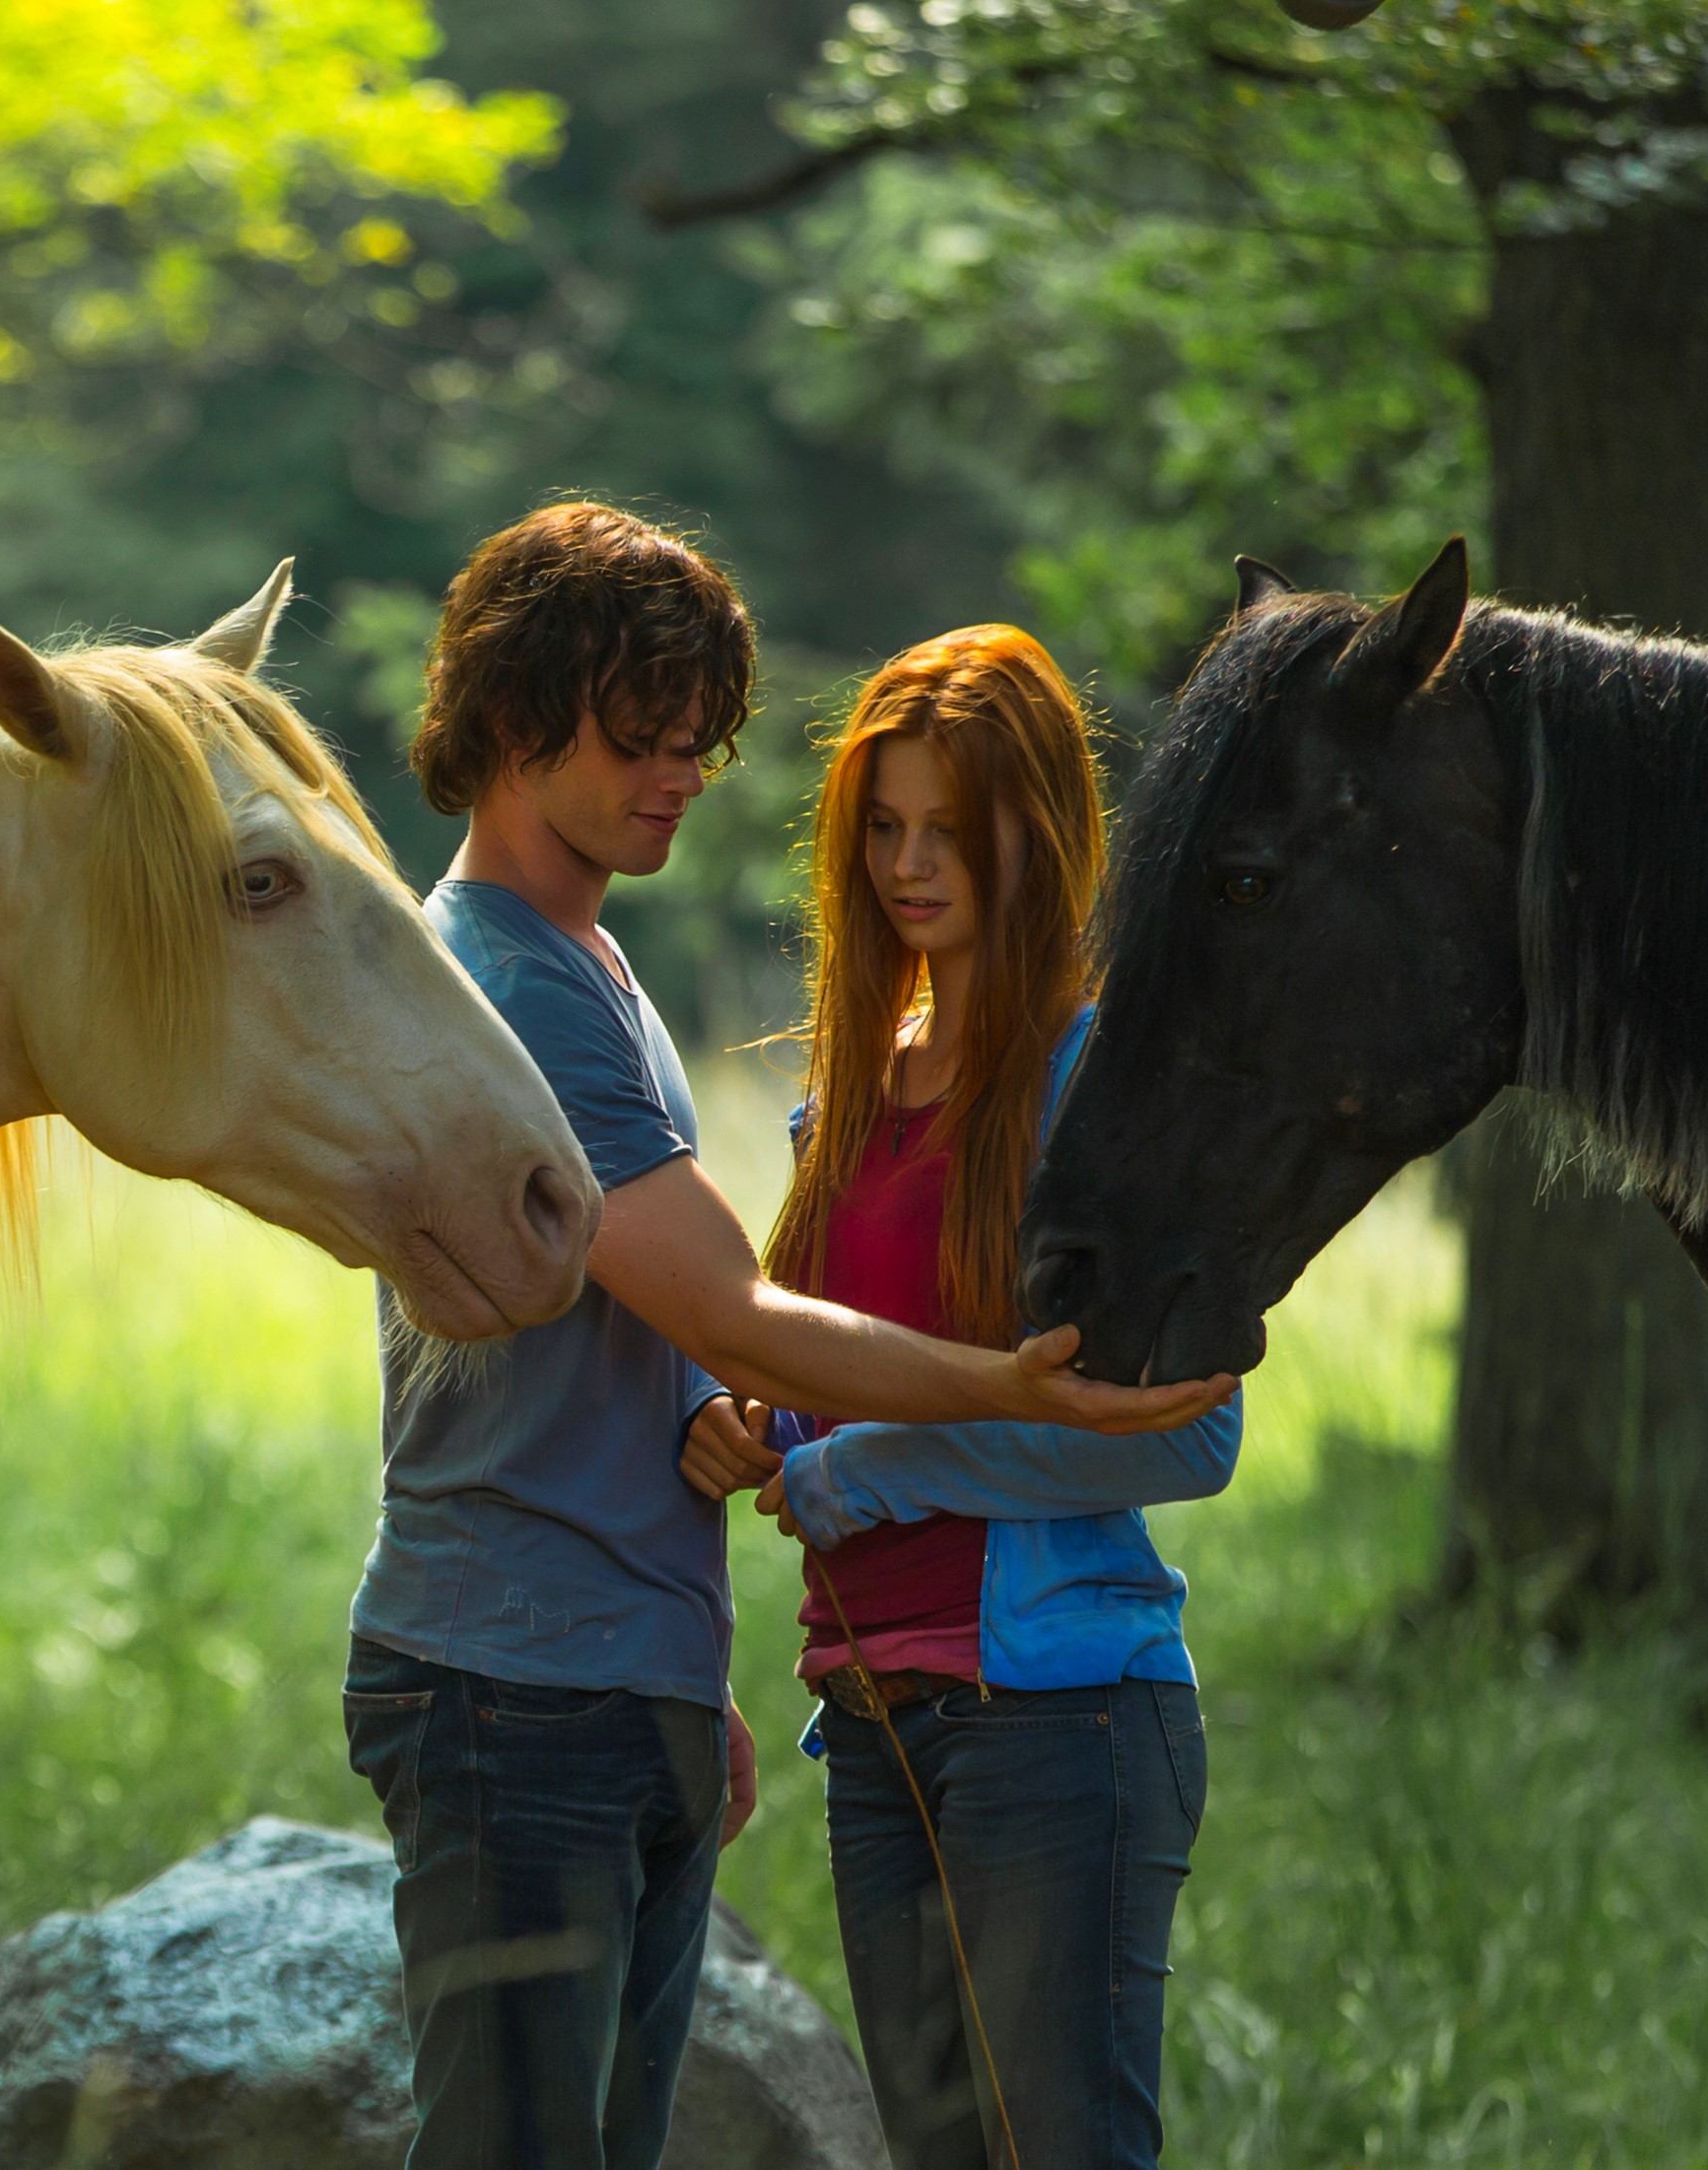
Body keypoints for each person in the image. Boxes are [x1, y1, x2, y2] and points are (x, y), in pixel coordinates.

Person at [343, 507, 1232, 2170]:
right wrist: (809, 1418)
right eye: (639, 736)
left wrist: (779, 1492)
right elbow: (741, 1320)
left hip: (985, 1704)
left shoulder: (613, 973)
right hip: (694, 1700)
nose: (682, 770)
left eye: (700, 739)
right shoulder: (568, 1005)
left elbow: (1177, 1424)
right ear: (516, 715)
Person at [677, 625, 1241, 2170]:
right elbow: (845, 1375)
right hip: (865, 1720)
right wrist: (756, 1425)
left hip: (1054, 1719)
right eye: (882, 825)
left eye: (949, 830)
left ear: (1036, 833)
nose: (907, 866)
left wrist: (877, 1473)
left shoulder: (1098, 1079)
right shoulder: (850, 1091)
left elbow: (1192, 1425)